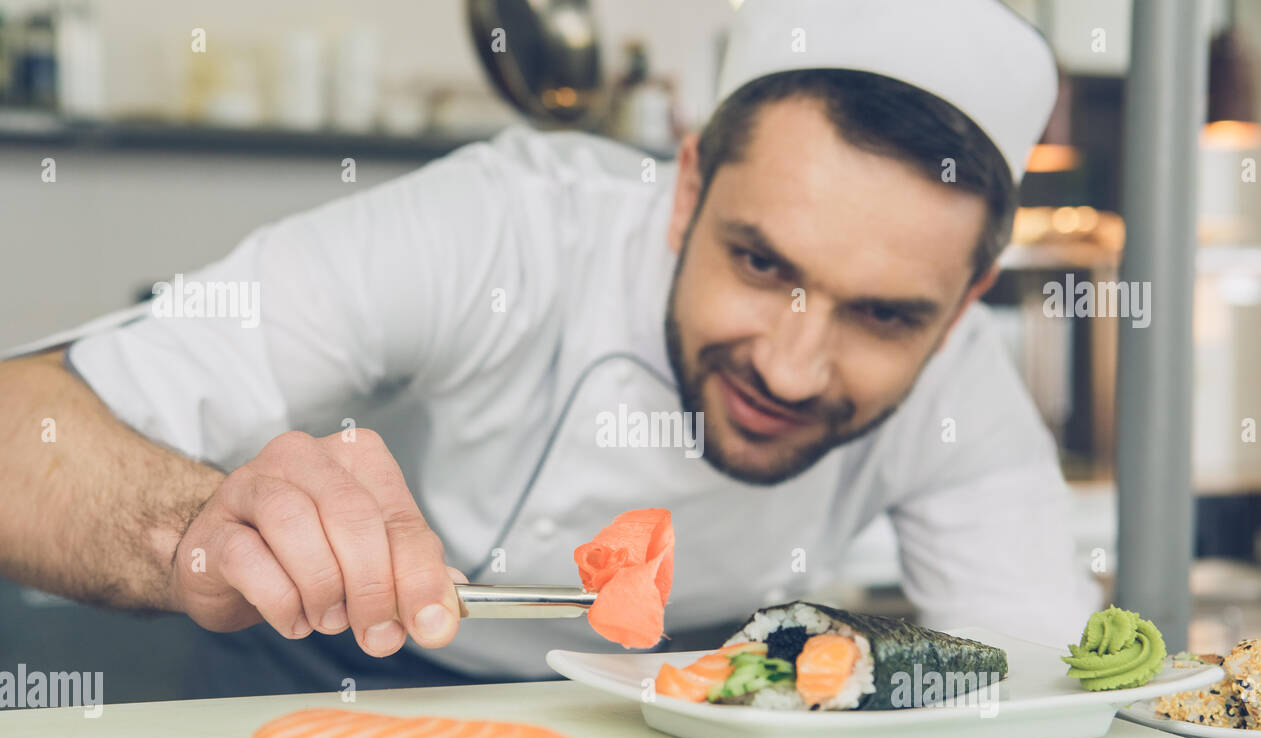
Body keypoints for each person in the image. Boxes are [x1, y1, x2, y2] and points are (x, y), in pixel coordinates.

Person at [0, 0, 1100, 692]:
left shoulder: (966, 390)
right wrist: (208, 530)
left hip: (696, 713)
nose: (791, 366)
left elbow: (1038, 668)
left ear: (958, 313)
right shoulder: (502, 229)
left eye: (883, 314)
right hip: (322, 669)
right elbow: (19, 427)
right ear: (682, 196)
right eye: (761, 263)